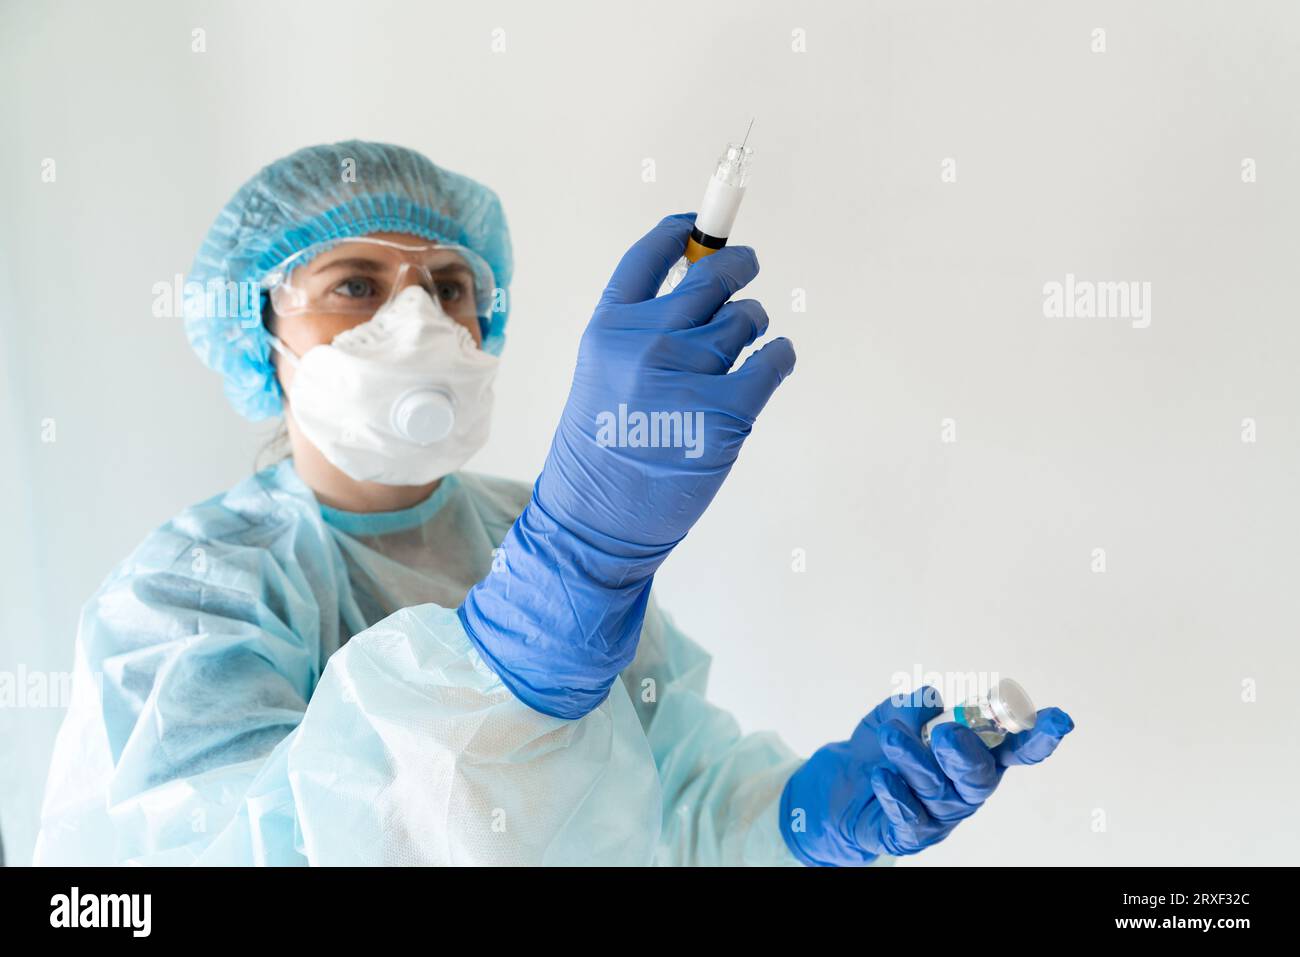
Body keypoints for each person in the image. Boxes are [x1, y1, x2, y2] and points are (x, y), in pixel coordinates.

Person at [34, 141, 1073, 866]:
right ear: (257, 327)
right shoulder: (192, 600)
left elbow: (660, 808)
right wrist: (549, 608)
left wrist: (803, 816)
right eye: (356, 282)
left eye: (449, 286)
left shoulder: (530, 531)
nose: (420, 319)